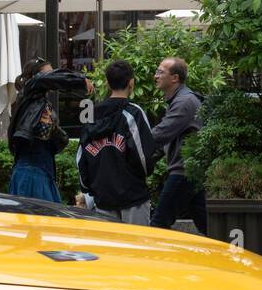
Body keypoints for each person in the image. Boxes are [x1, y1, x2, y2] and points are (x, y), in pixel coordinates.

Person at [76, 59, 157, 225]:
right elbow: (144, 157)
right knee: (137, 247)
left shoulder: (90, 113)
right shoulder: (134, 113)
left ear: (107, 83)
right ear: (131, 83)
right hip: (133, 195)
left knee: (110, 249)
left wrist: (88, 189)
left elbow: (80, 157)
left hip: (102, 197)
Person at [5, 56, 93, 202]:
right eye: (49, 74)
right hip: (31, 174)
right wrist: (79, 79)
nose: (53, 77)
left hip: (43, 172)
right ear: (35, 78)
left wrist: (57, 133)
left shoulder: (40, 105)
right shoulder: (29, 90)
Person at [148, 57, 206, 234]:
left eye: (160, 72)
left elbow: (161, 133)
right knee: (207, 225)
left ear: (175, 78)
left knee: (158, 224)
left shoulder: (184, 102)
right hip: (189, 170)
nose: (155, 76)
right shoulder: (180, 100)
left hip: (183, 171)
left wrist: (131, 141)